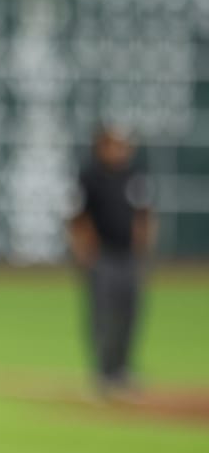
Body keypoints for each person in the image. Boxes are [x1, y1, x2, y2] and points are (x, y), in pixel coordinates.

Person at [68, 124, 153, 398]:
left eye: (124, 145)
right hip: (102, 256)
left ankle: (122, 370)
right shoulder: (89, 176)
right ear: (102, 146)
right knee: (102, 317)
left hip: (128, 255)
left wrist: (143, 249)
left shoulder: (134, 175)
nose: (121, 150)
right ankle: (104, 375)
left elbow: (144, 214)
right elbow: (77, 217)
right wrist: (84, 251)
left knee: (130, 314)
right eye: (115, 145)